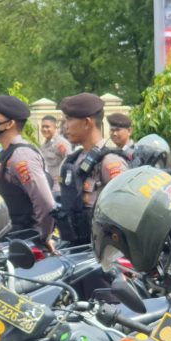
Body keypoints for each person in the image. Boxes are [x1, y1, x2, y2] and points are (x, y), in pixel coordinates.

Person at [56, 92, 128, 246]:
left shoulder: (109, 161)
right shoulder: (74, 159)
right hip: (74, 247)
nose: (65, 126)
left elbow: (126, 212)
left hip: (99, 252)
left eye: (69, 119)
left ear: (87, 123)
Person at [0, 94, 56, 249]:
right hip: (10, 239)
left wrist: (43, 237)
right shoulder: (6, 152)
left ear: (9, 124)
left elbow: (45, 203)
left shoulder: (22, 157)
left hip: (24, 242)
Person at [39, 114, 70, 193]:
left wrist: (61, 181)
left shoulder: (61, 143)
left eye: (47, 127)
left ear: (55, 127)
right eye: (43, 126)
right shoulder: (44, 144)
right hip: (47, 185)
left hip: (57, 188)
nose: (45, 129)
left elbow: (69, 163)